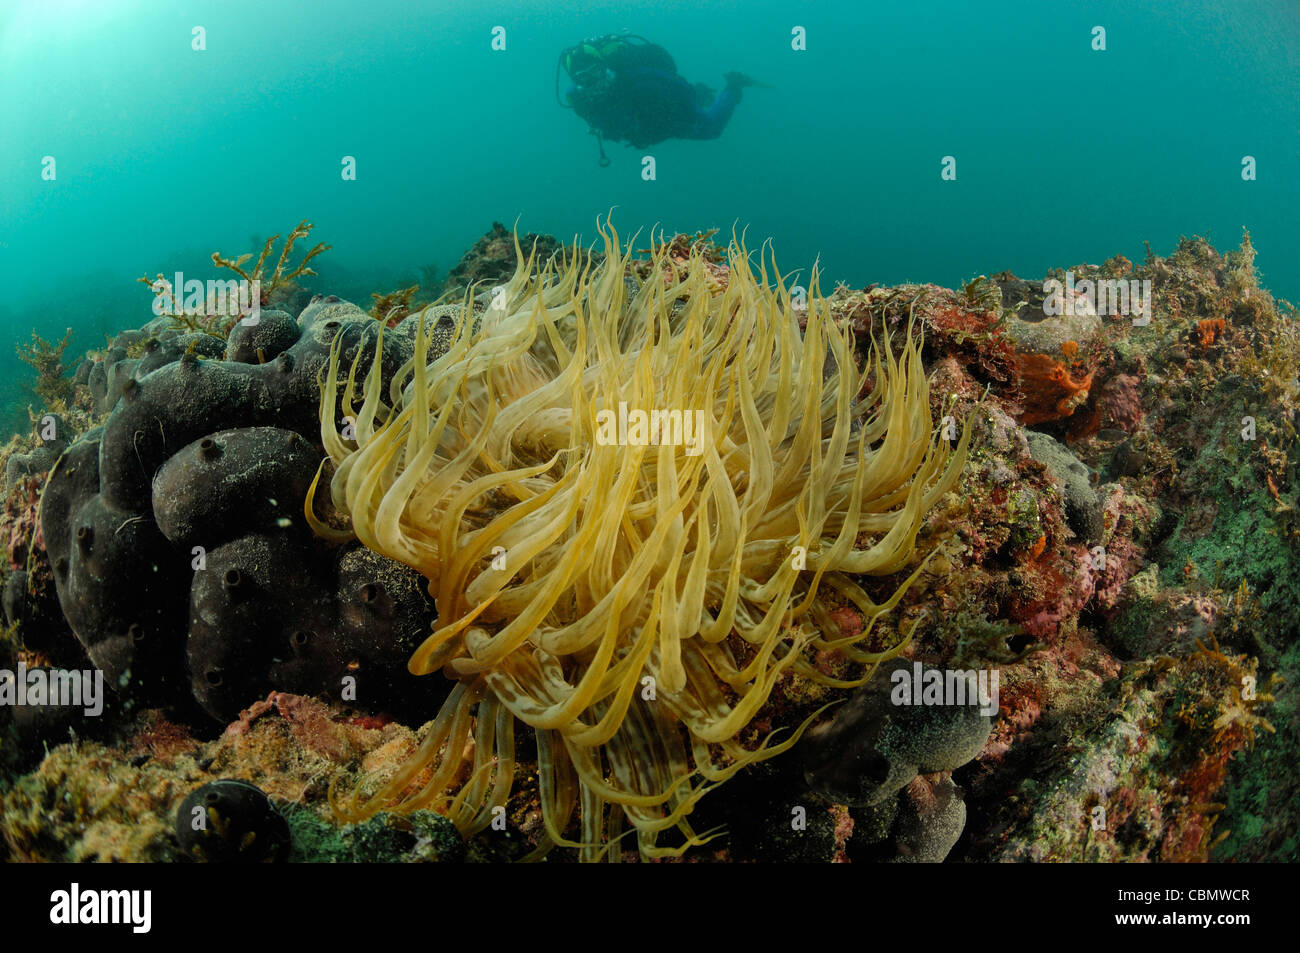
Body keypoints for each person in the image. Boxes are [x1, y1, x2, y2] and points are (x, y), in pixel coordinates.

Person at [558, 34, 758, 164]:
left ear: (605, 67)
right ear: (575, 80)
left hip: (672, 115)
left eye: (596, 71)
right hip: (644, 129)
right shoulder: (578, 99)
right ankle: (701, 93)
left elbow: (677, 88)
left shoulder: (639, 80)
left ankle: (734, 85)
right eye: (583, 77)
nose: (592, 81)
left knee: (711, 129)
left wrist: (686, 106)